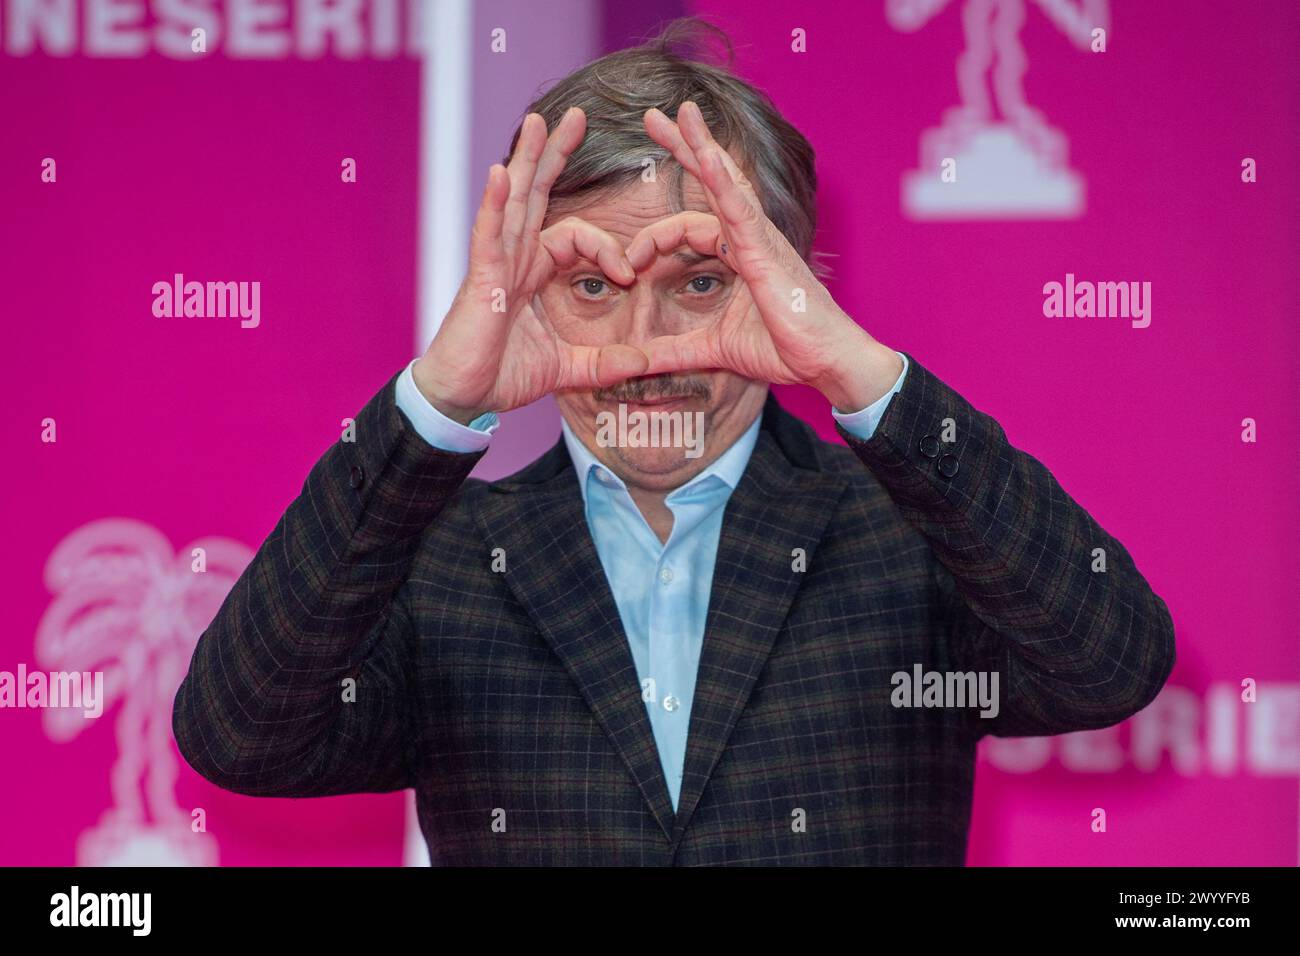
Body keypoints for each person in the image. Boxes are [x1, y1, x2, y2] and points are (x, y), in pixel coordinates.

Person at [172, 21, 1174, 866]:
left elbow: (1111, 658)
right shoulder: (441, 562)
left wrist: (853, 368)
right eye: (592, 288)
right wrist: (439, 398)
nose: (645, 348)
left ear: (792, 282)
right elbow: (240, 731)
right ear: (529, 297)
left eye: (700, 280)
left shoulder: (908, 531)